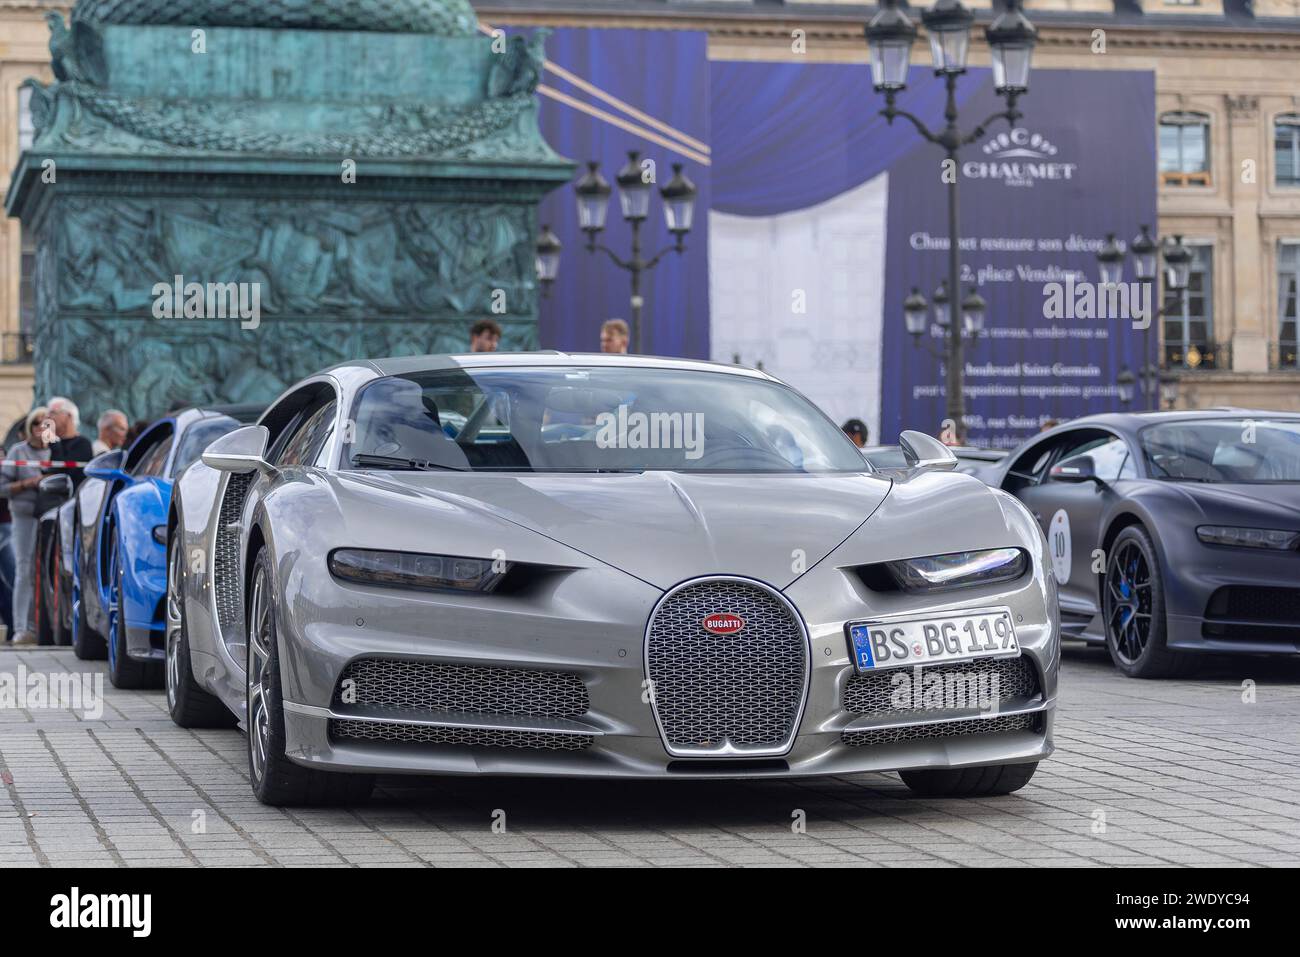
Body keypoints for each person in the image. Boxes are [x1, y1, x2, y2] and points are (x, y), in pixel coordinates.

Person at [0, 408, 54, 645]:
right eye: (36, 424)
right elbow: (2, 487)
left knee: (44, 570)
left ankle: (42, 626)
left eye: (46, 423)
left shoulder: (56, 451)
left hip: (51, 516)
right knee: (24, 569)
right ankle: (21, 627)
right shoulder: (18, 451)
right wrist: (29, 483)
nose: (41, 428)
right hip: (23, 516)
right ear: (30, 427)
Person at [46, 396, 94, 486]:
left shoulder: (82, 444)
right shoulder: (51, 443)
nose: (48, 417)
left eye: (53, 413)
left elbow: (62, 472)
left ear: (68, 416)